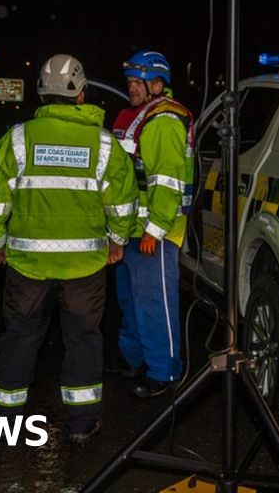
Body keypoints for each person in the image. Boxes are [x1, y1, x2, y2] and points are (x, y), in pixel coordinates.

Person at [0, 53, 138, 444]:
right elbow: (123, 201)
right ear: (81, 95)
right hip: (84, 266)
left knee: (22, 333)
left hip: (28, 264)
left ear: (41, 96)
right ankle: (82, 423)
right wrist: (117, 241)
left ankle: (5, 420)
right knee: (83, 338)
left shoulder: (17, 139)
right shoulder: (102, 145)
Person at [110, 50, 195, 398]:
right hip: (131, 229)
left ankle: (163, 372)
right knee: (130, 302)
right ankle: (133, 360)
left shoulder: (163, 121)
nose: (131, 87)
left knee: (153, 303)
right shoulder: (136, 116)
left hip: (153, 234)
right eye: (129, 81)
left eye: (137, 82)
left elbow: (167, 181)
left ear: (157, 84)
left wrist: (154, 230)